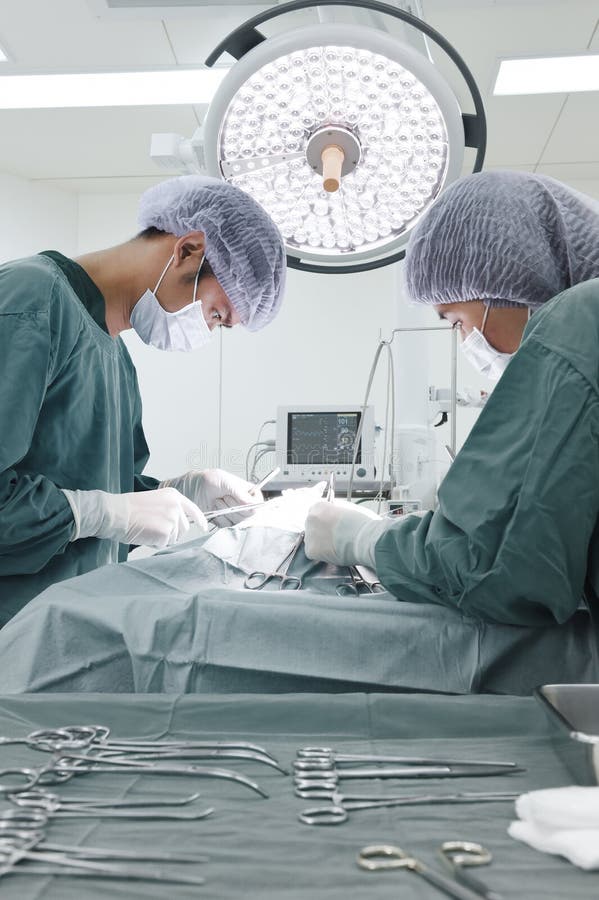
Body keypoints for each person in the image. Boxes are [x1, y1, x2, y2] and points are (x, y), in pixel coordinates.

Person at [305, 170, 599, 627]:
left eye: (455, 319)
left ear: (508, 282)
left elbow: (492, 566)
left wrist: (360, 536)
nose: (462, 340)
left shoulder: (579, 322)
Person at [0, 174, 286, 626]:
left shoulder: (115, 356)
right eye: (216, 314)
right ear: (187, 249)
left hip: (62, 634)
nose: (207, 331)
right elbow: (93, 511)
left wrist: (177, 494)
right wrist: (101, 513)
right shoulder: (31, 301)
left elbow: (105, 503)